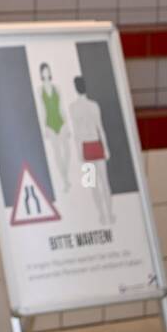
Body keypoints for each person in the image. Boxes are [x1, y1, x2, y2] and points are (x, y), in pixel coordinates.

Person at [68, 75, 114, 225]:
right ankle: (109, 214)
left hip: (87, 147)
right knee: (103, 182)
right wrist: (106, 148)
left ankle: (102, 215)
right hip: (96, 144)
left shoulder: (73, 108)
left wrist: (79, 153)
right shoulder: (93, 105)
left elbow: (76, 134)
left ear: (75, 88)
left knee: (92, 184)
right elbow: (101, 129)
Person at [37, 63, 71, 192]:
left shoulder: (57, 88)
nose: (46, 73)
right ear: (41, 74)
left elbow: (62, 107)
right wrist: (43, 127)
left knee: (67, 151)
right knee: (57, 152)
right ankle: (65, 180)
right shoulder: (40, 90)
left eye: (47, 71)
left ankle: (65, 173)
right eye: (43, 71)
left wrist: (67, 124)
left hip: (60, 121)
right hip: (49, 123)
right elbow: (42, 110)